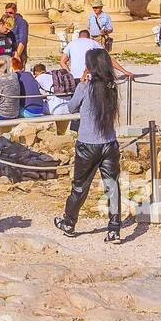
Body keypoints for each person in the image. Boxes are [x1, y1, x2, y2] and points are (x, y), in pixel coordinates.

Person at [53, 48, 123, 242]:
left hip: (88, 144)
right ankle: (114, 229)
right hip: (109, 143)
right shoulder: (112, 87)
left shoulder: (85, 88)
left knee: (80, 186)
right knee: (112, 186)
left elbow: (71, 107)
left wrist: (83, 81)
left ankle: (69, 221)